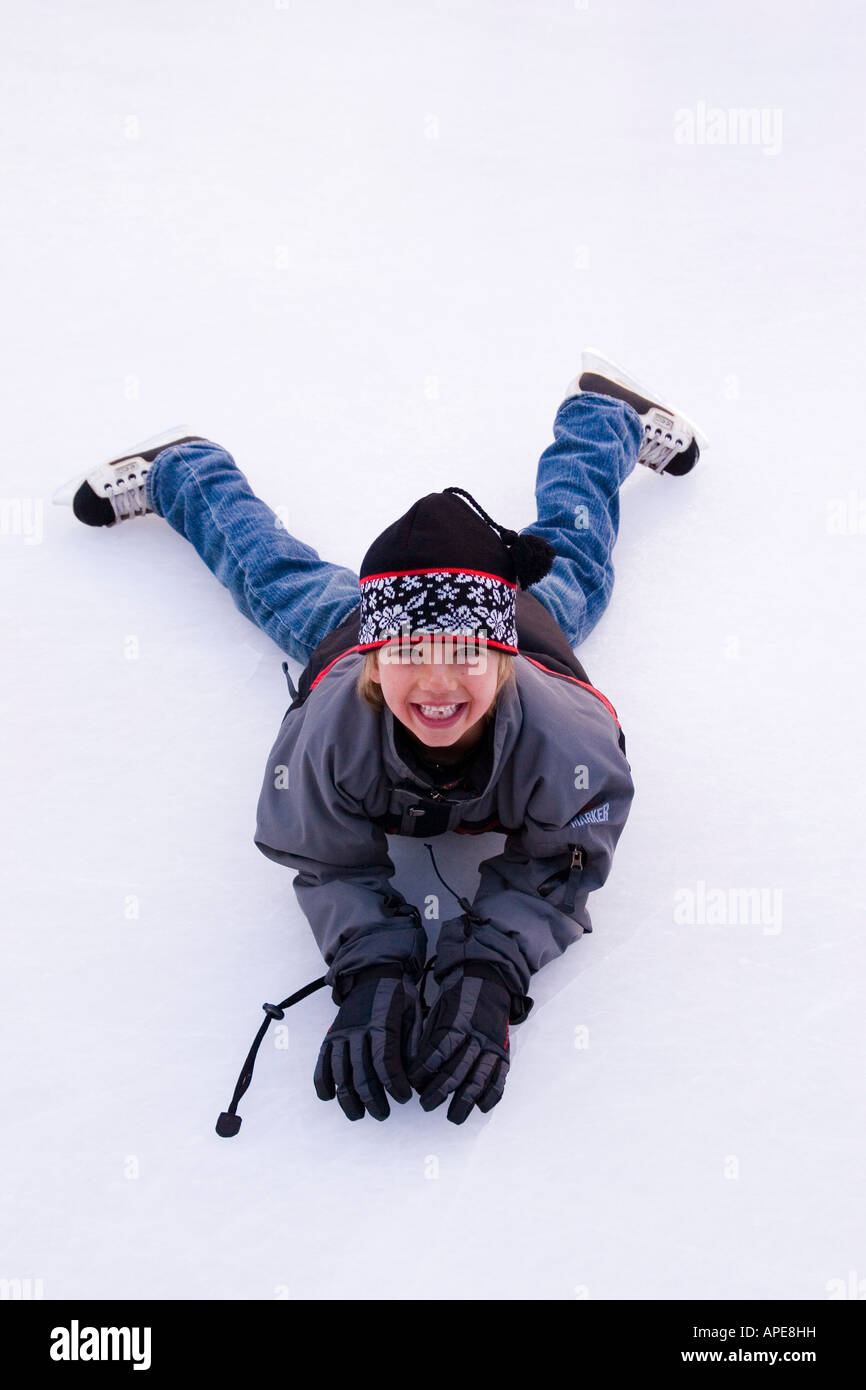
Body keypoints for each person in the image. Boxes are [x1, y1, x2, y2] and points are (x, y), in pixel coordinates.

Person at [54, 349, 705, 1130]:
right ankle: (185, 469)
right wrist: (371, 963)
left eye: (465, 654)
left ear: (501, 661)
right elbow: (324, 855)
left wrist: (493, 966)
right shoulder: (331, 731)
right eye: (409, 656)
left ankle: (603, 417)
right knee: (272, 576)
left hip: (532, 629)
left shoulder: (570, 745)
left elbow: (560, 862)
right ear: (375, 656)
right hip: (351, 629)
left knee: (579, 559)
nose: (437, 684)